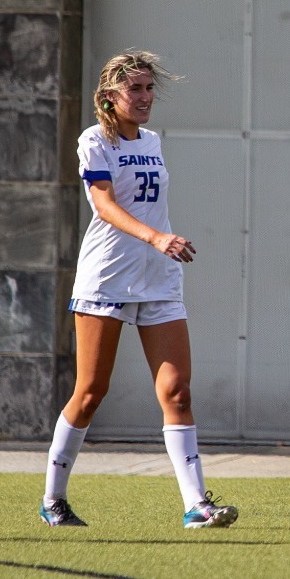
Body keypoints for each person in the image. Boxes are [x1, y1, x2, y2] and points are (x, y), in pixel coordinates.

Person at [35, 51, 234, 530]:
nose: (145, 98)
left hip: (159, 280)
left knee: (177, 392)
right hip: (108, 275)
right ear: (109, 97)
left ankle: (196, 505)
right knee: (90, 392)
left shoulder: (152, 140)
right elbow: (103, 205)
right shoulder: (94, 141)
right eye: (135, 90)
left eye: (149, 89)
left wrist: (160, 244)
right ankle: (53, 499)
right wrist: (156, 237)